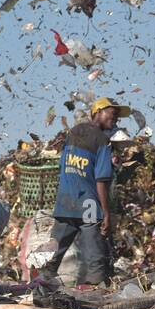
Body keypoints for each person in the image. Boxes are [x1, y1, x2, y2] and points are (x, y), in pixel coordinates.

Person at [38, 97, 129, 286]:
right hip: (87, 203)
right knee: (95, 254)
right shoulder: (103, 141)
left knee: (54, 251)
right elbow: (101, 180)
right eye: (113, 114)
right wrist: (105, 212)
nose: (115, 119)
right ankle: (97, 292)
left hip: (65, 201)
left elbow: (63, 166)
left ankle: (41, 286)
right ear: (98, 112)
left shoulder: (74, 132)